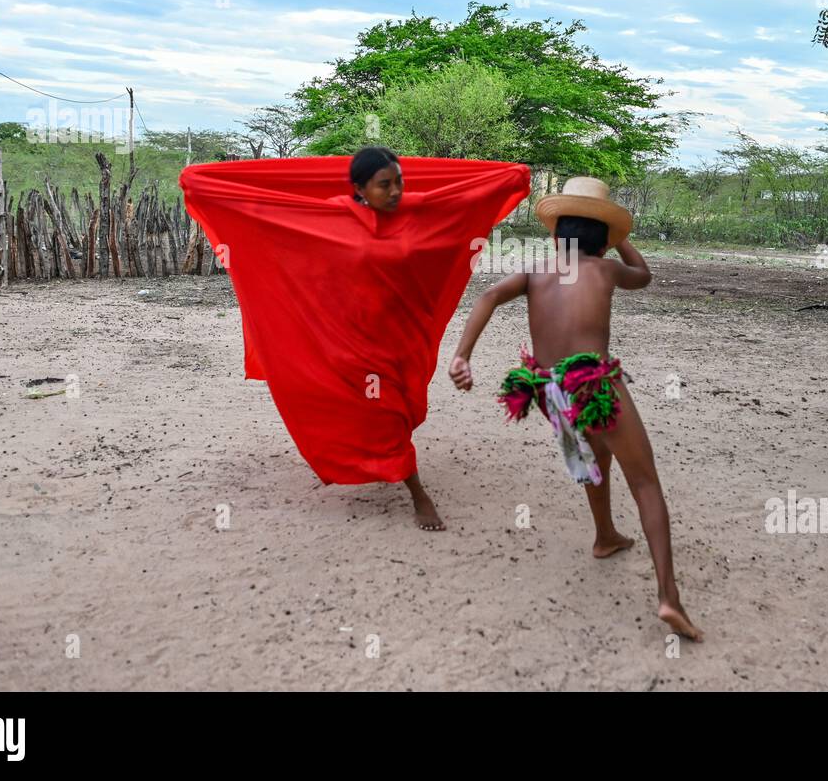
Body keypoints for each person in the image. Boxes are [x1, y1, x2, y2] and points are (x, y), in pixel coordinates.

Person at [179, 146, 530, 531]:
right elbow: (271, 221)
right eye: (385, 185)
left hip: (402, 334)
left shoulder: (417, 210)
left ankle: (386, 458)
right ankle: (417, 493)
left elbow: (464, 204)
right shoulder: (331, 217)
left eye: (399, 181)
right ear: (360, 188)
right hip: (351, 337)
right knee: (383, 413)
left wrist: (509, 178)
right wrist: (200, 183)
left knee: (399, 407)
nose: (396, 191)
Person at [447, 177, 702, 641]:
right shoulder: (605, 270)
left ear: (555, 236)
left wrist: (462, 355)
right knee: (644, 481)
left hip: (546, 389)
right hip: (592, 381)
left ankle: (605, 537)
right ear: (605, 240)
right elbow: (643, 276)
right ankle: (669, 597)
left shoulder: (538, 271)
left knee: (594, 458)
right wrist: (622, 240)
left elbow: (487, 296)